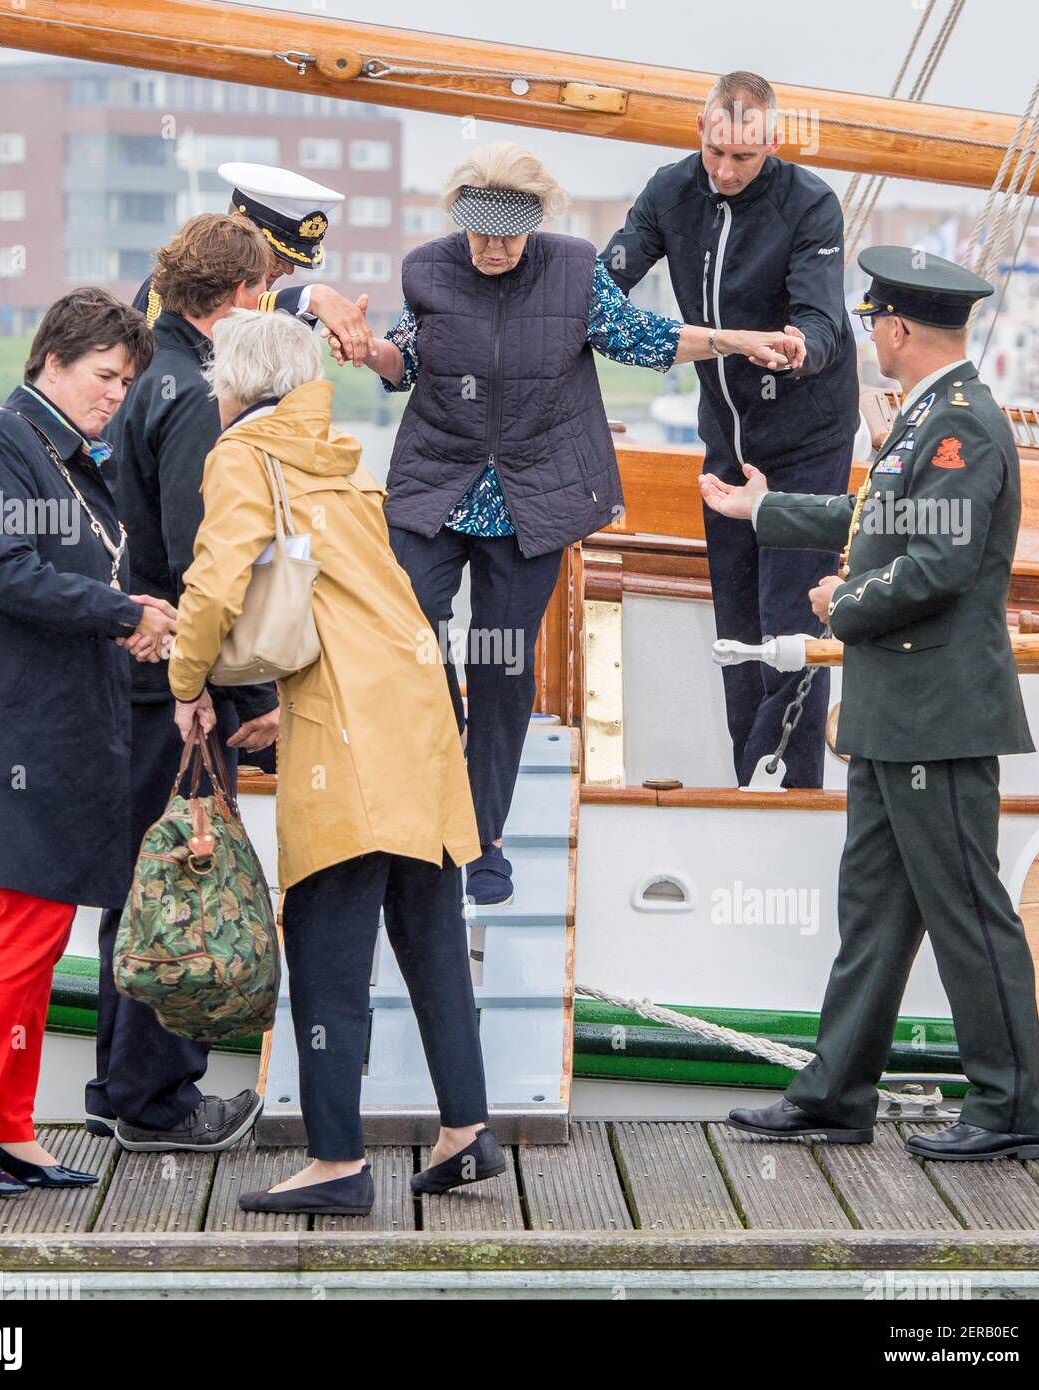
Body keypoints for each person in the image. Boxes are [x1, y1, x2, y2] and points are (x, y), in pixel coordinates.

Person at [339, 141, 803, 906]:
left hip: (536, 491)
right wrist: (370, 352)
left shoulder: (571, 268)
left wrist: (739, 340)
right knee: (411, 632)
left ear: (536, 223)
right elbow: (409, 364)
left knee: (502, 661)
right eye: (478, 233)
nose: (490, 248)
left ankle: (480, 837)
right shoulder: (426, 267)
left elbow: (648, 339)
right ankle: (441, 758)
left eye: (506, 235)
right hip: (437, 482)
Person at [701, 247, 1039, 1162]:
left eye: (872, 324)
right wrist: (761, 511)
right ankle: (834, 1094)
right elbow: (879, 520)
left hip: (937, 713)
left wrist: (840, 607)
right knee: (877, 911)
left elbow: (941, 564)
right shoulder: (926, 419)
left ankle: (1013, 1109)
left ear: (896, 328)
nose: (871, 338)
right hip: (897, 715)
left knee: (967, 910)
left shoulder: (962, 427)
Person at [167, 308, 504, 1215]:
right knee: (428, 933)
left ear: (233, 381)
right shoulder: (340, 456)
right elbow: (360, 598)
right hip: (417, 708)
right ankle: (468, 1131)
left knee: (324, 939)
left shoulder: (244, 453)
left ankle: (335, 1161)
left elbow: (216, 581)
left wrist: (186, 678)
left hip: (349, 730)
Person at [0, 288, 167, 1195]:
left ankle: (8, 1122)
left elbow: (72, 573)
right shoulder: (1, 444)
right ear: (51, 360)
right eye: (103, 376)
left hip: (51, 727)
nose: (114, 396)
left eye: (126, 382)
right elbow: (3, 572)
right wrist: (121, 609)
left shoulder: (66, 457)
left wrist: (124, 611)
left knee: (43, 928)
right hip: (7, 729)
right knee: (21, 927)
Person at [84, 212, 283, 1153]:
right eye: (268, 291)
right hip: (172, 675)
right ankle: (157, 1101)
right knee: (182, 882)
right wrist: (243, 695)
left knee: (136, 879)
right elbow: (208, 558)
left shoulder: (131, 379)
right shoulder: (195, 397)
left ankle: (112, 1080)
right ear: (241, 297)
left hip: (119, 663)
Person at [602, 71, 859, 789]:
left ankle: (790, 788)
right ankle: (752, 783)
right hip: (727, 437)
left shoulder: (809, 203)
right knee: (737, 620)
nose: (725, 171)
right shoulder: (670, 191)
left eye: (743, 158)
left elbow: (821, 316)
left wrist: (800, 346)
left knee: (791, 620)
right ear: (701, 133)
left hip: (807, 441)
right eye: (716, 152)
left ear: (771, 145)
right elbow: (609, 277)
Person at [135, 162, 375, 368]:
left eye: (291, 260)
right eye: (274, 251)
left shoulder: (263, 307)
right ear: (238, 227)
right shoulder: (171, 283)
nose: (287, 269)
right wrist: (310, 297)